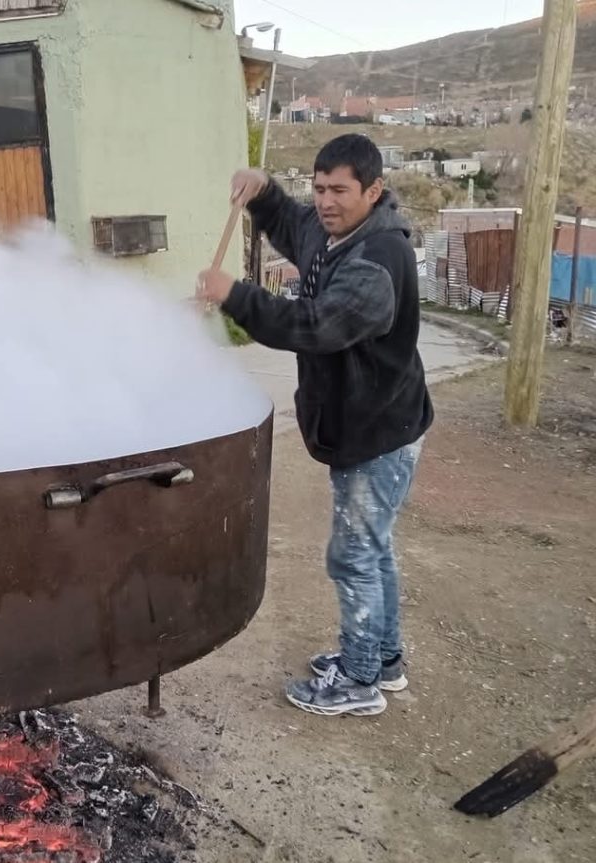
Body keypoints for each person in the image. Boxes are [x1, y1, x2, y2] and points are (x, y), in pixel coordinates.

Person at [196, 134, 433, 717]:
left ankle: (358, 682)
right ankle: (382, 661)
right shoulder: (333, 233)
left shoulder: (377, 263)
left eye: (340, 191)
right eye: (319, 188)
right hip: (365, 425)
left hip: (378, 435)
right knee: (372, 551)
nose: (325, 201)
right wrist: (263, 191)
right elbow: (292, 222)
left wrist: (237, 297)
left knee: (354, 556)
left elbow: (316, 325)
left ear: (374, 192)